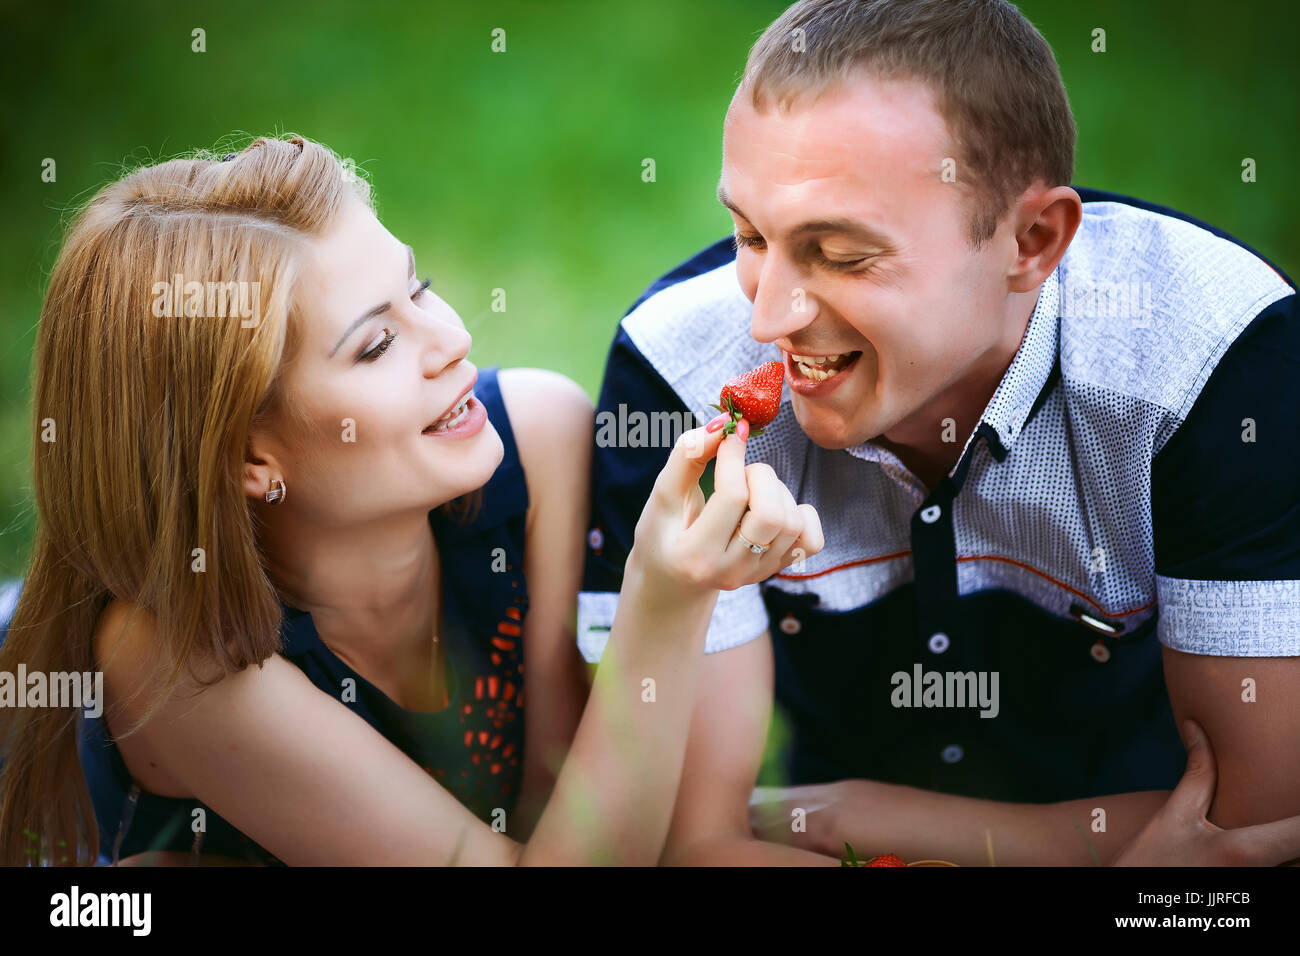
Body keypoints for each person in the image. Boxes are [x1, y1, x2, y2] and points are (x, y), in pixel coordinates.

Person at [578, 0, 1300, 865]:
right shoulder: (674, 373)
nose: (767, 316)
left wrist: (846, 816)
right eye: (749, 235)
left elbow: (1254, 837)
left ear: (1032, 240)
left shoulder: (1214, 356)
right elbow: (694, 848)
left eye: (841, 255)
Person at [0, 135, 823, 866]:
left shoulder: (539, 436)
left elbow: (555, 804)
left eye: (418, 287)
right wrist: (665, 596)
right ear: (251, 455)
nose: (454, 340)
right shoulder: (180, 661)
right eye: (377, 343)